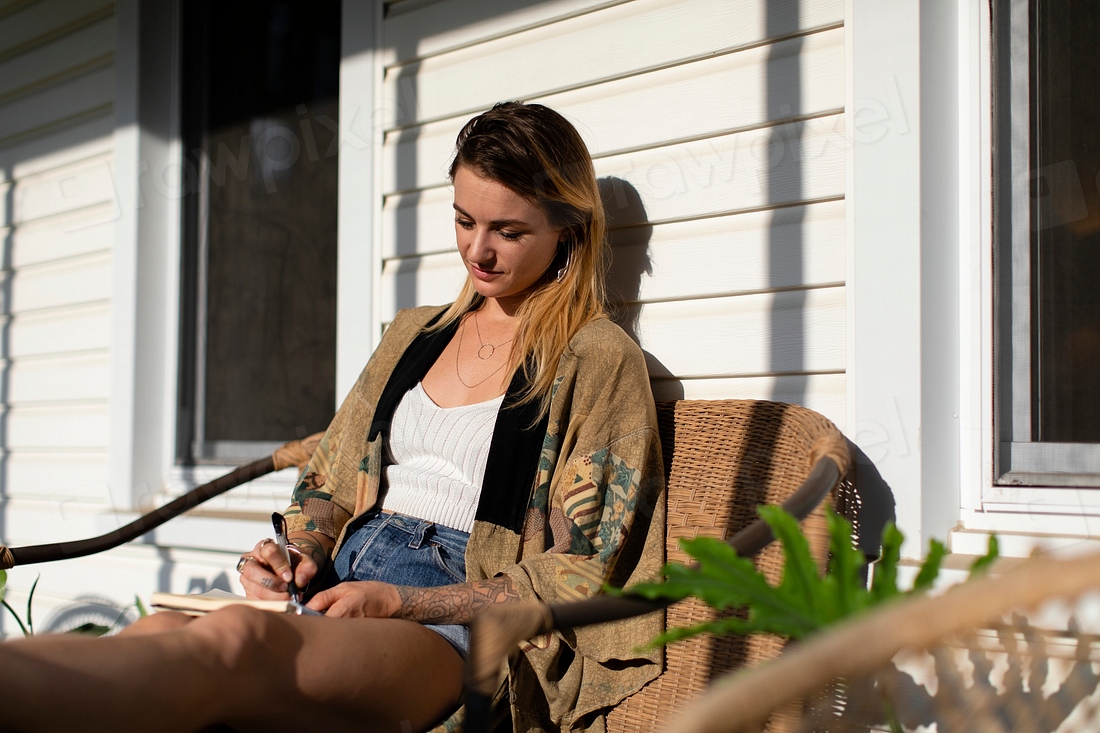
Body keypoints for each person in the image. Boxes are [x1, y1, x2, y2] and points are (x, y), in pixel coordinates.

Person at [0, 102, 665, 733]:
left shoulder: (597, 360)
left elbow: (582, 571)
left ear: (568, 227)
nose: (478, 251)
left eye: (509, 231)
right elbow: (332, 483)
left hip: (453, 623)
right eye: (464, 221)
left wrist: (401, 601)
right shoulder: (415, 334)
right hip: (347, 580)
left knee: (236, 640)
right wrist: (296, 550)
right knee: (161, 630)